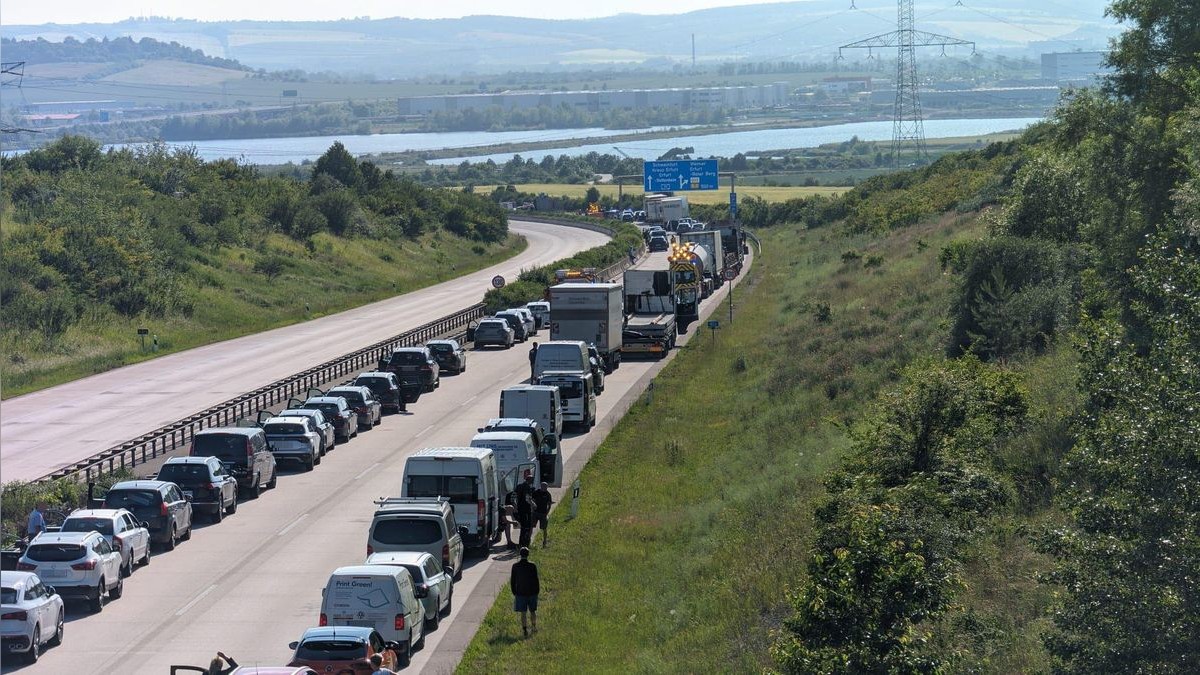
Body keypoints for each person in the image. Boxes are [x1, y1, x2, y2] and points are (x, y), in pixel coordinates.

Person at [510, 546, 540, 637]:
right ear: (528, 555)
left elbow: (513, 580)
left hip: (520, 592)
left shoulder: (515, 566)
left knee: (523, 612)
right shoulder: (532, 565)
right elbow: (536, 579)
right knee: (532, 611)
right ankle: (534, 627)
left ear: (520, 554)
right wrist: (537, 590)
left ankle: (524, 629)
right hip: (532, 592)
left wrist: (514, 592)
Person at [514, 473, 536, 548]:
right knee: (527, 527)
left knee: (523, 527)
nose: (533, 481)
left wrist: (516, 507)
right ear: (529, 480)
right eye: (532, 480)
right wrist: (533, 504)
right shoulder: (527, 487)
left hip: (520, 509)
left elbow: (514, 497)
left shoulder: (519, 486)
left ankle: (521, 543)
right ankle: (525, 544)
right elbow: (527, 498)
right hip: (526, 509)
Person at [532, 481, 554, 548]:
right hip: (535, 513)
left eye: (546, 487)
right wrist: (532, 510)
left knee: (544, 529)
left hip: (543, 514)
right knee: (531, 526)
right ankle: (528, 541)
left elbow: (549, 505)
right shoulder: (536, 492)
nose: (545, 488)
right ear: (541, 486)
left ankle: (544, 543)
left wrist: (547, 513)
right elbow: (532, 501)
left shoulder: (548, 494)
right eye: (544, 486)